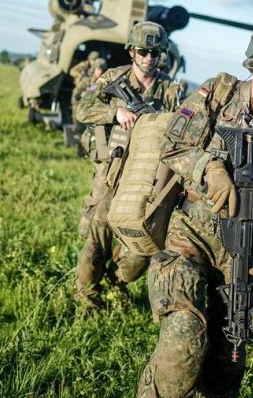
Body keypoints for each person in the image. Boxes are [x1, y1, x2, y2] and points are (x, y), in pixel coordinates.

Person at [137, 11, 253, 398]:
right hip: (190, 237)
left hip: (245, 257)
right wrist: (209, 167)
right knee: (185, 334)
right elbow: (174, 144)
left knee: (228, 357)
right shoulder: (219, 92)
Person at [71, 22, 183, 312]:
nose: (149, 58)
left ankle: (117, 281)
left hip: (145, 171)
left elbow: (180, 127)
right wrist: (114, 112)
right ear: (132, 51)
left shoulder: (170, 89)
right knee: (100, 233)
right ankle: (86, 298)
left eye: (155, 53)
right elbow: (82, 109)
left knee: (143, 237)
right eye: (144, 52)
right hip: (112, 166)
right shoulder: (112, 78)